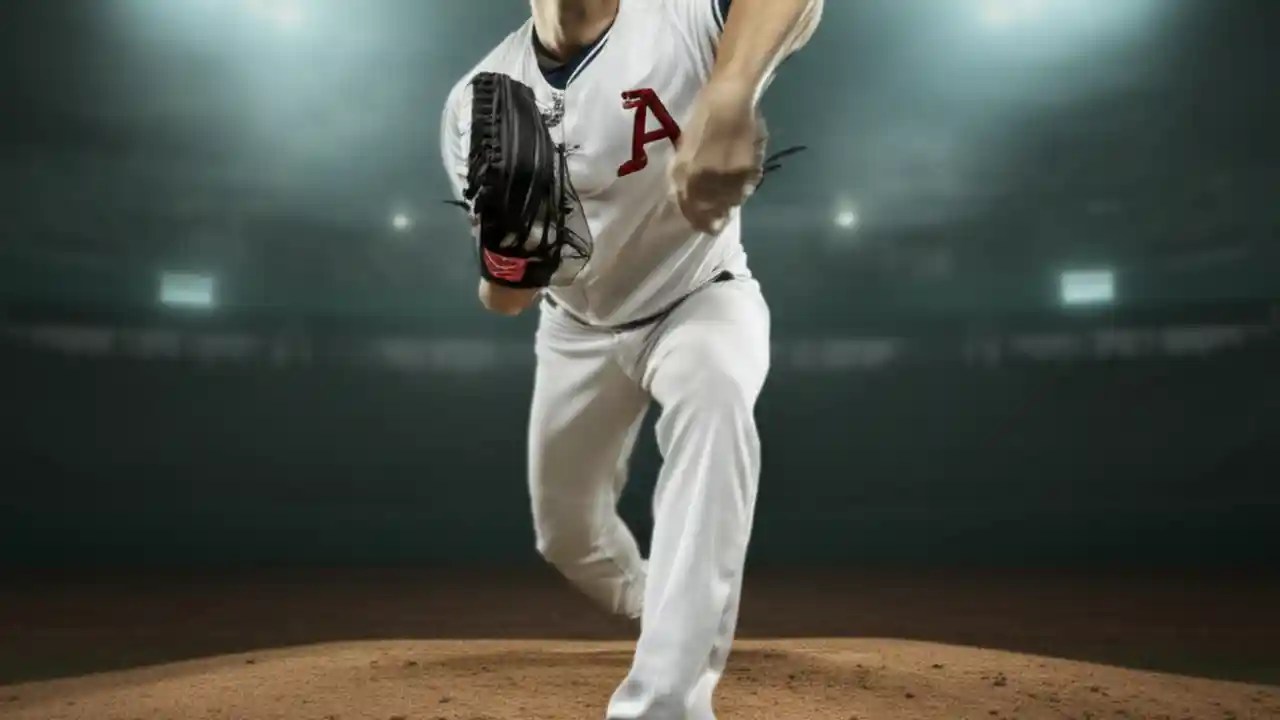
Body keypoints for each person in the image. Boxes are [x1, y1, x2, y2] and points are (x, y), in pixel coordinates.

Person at [440, 1, 822, 717]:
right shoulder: (480, 97)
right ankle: (672, 607)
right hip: (575, 327)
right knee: (567, 535)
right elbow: (505, 301)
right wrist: (513, 257)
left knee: (715, 395)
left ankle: (666, 702)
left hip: (700, 294)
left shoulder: (682, 15)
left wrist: (730, 89)